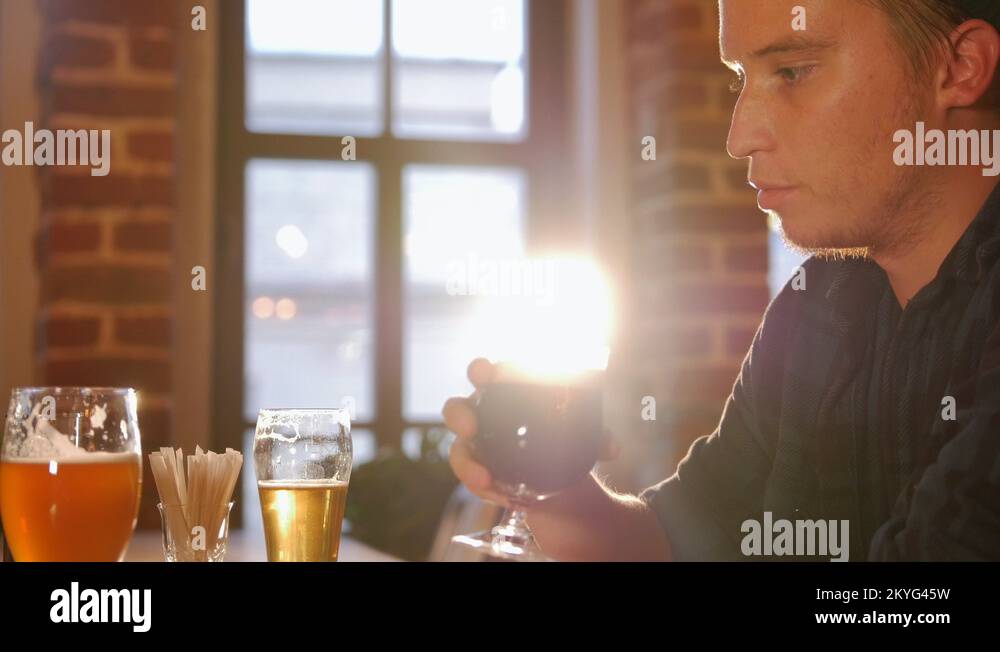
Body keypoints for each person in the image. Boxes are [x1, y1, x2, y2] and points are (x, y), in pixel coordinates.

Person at [443, 0, 1000, 561]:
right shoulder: (821, 302)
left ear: (959, 66)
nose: (739, 137)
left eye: (792, 71)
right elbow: (677, 543)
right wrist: (555, 491)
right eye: (740, 79)